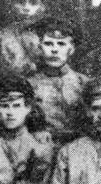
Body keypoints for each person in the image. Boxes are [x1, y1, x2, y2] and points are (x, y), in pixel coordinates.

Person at [28, 17, 87, 147]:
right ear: (40, 47)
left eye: (61, 44)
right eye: (48, 44)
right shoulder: (30, 85)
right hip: (42, 147)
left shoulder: (84, 83)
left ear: (71, 49)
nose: (54, 50)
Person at [0, 0, 46, 78]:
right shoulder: (1, 38)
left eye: (33, 2)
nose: (26, 8)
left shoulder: (48, 34)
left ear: (41, 5)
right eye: (21, 2)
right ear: (11, 4)